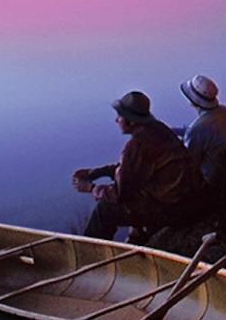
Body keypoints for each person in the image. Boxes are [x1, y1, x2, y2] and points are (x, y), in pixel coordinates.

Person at [72, 90, 205, 241]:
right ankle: (138, 240)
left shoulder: (138, 144)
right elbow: (132, 170)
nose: (117, 120)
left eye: (120, 116)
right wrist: (95, 172)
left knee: (105, 210)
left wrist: (91, 188)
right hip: (187, 201)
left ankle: (91, 254)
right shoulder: (158, 128)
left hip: (174, 209)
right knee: (135, 198)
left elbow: (120, 194)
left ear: (131, 120)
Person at [180, 74, 226, 190]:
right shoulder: (224, 112)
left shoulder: (198, 128)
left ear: (193, 101)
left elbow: (190, 163)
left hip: (215, 185)